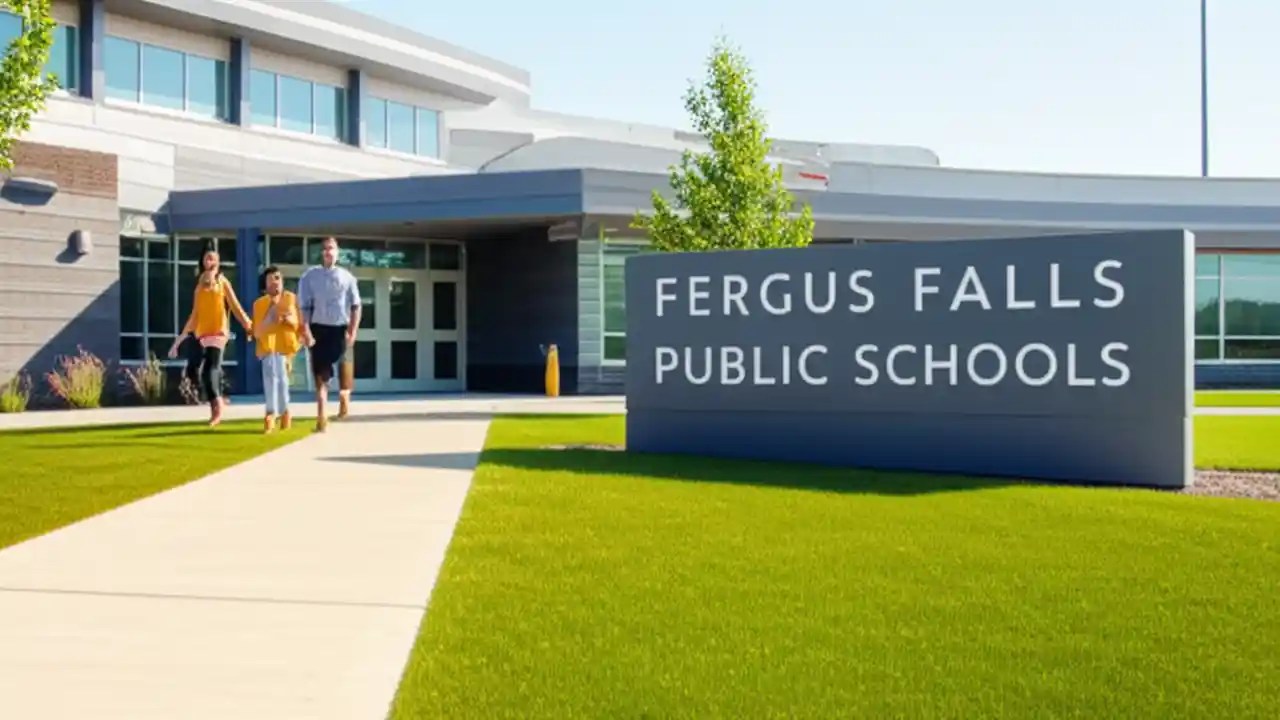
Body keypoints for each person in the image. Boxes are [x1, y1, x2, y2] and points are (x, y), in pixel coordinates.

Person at [169, 247, 252, 426]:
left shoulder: (222, 282)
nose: (211, 262)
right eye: (208, 259)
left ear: (218, 263)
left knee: (210, 368)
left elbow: (235, 306)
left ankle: (217, 408)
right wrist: (179, 340)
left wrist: (248, 325)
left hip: (219, 330)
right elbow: (195, 315)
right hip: (203, 333)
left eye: (214, 259)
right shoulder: (199, 287)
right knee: (204, 372)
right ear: (203, 262)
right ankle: (216, 403)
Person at [297, 236, 361, 432]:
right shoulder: (309, 277)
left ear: (337, 252)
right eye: (325, 249)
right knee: (321, 376)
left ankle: (344, 401)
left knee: (344, 369)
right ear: (321, 253)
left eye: (331, 248)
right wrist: (306, 330)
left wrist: (353, 330)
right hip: (319, 329)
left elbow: (356, 306)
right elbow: (304, 307)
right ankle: (321, 417)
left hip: (340, 329)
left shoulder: (347, 278)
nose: (328, 252)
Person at [252, 265, 302, 433]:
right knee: (270, 377)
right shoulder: (259, 304)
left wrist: (287, 319)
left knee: (282, 379)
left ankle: (285, 412)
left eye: (278, 278)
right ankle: (271, 413)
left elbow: (297, 324)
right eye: (270, 280)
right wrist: (271, 315)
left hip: (285, 347)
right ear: (265, 285)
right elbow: (258, 330)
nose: (275, 283)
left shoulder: (290, 299)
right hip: (267, 348)